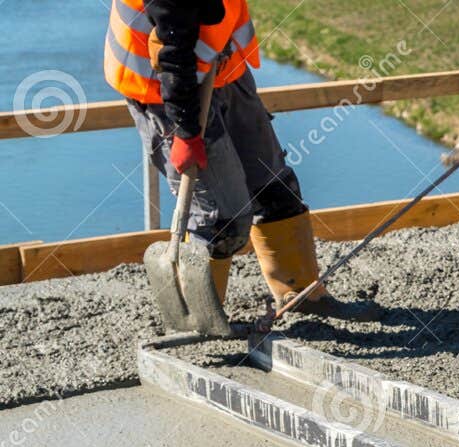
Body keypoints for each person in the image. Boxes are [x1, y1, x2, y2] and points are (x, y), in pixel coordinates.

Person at [105, 0, 363, 316]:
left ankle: (300, 296)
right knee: (219, 218)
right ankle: (199, 318)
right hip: (167, 90)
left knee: (273, 189)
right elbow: (173, 54)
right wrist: (186, 132)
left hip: (222, 69)